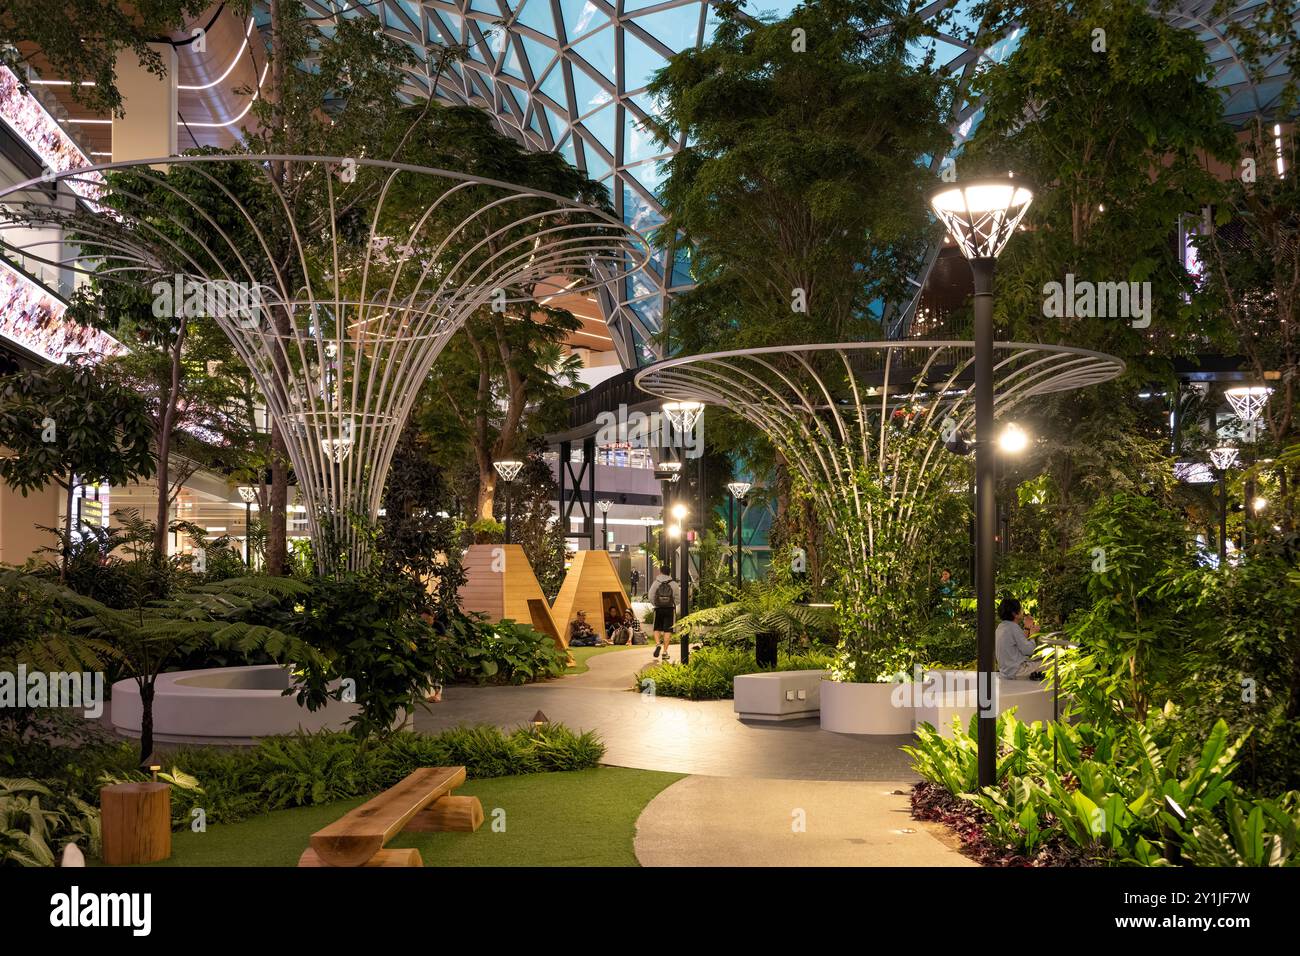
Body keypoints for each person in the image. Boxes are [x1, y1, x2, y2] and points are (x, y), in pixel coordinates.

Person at [995, 596, 1043, 679]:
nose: (1023, 611)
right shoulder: (1013, 627)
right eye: (1020, 609)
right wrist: (1033, 634)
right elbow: (1029, 651)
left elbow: (1019, 644)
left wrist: (1027, 628)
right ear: (1014, 614)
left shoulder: (1002, 626)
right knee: (1055, 663)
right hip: (1018, 671)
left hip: (1007, 671)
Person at [649, 568, 680, 662]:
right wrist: (674, 604)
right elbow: (677, 597)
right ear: (669, 573)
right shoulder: (673, 584)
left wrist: (655, 603)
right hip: (669, 609)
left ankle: (658, 644)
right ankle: (665, 652)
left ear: (661, 572)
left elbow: (651, 595)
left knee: (656, 628)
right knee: (667, 630)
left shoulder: (656, 582)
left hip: (658, 608)